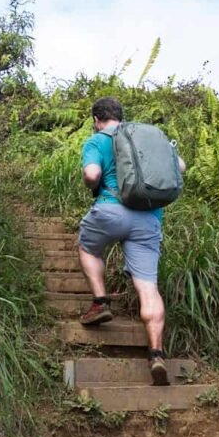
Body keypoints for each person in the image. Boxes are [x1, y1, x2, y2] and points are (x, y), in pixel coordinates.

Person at [76, 96, 185, 386]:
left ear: (97, 119)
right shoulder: (144, 137)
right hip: (149, 220)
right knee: (148, 286)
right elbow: (181, 167)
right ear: (121, 116)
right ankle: (157, 354)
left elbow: (92, 174)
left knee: (88, 248)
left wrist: (92, 184)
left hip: (111, 210)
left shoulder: (98, 140)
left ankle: (100, 302)